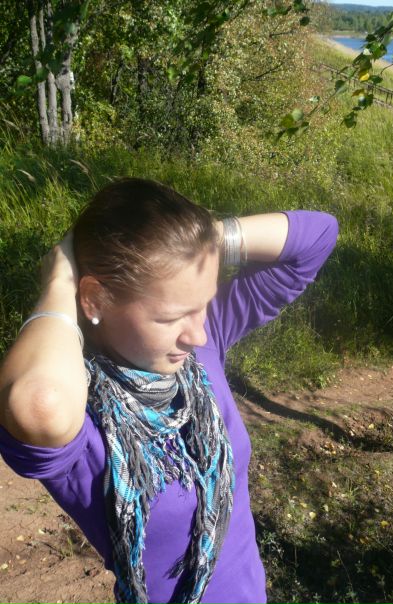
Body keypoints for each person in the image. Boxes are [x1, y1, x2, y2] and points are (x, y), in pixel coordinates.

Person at [0, 177, 338, 604]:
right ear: (95, 299)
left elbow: (318, 236)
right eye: (170, 318)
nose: (198, 335)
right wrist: (60, 281)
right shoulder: (82, 421)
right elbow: (38, 401)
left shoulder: (198, 349)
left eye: (203, 306)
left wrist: (200, 242)